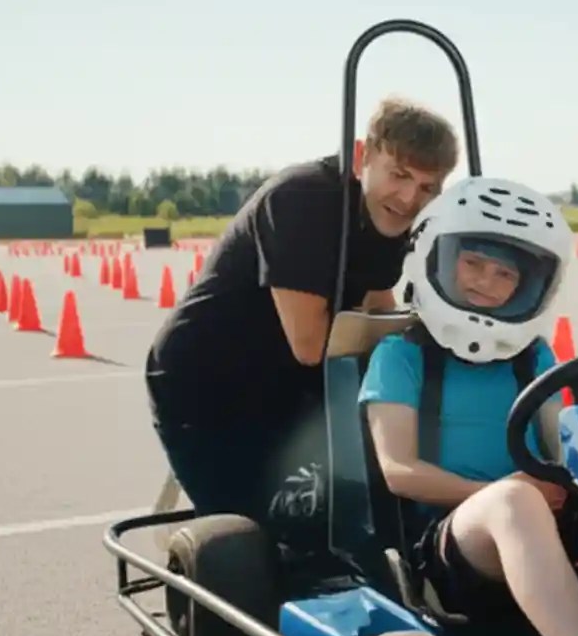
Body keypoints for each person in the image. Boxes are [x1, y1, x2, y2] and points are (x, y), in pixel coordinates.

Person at [359, 177, 578, 636]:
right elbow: (399, 471)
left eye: (505, 275)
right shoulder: (401, 356)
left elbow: (567, 444)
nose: (487, 282)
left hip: (540, 527)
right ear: (437, 260)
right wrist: (505, 492)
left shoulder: (533, 357)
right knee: (513, 503)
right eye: (473, 264)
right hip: (444, 549)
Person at [145, 97, 459, 539]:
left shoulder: (392, 216)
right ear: (360, 156)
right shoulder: (302, 199)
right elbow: (310, 344)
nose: (410, 198)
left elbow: (377, 305)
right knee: (263, 539)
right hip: (209, 385)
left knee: (355, 519)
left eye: (428, 187)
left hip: (295, 382)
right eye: (400, 175)